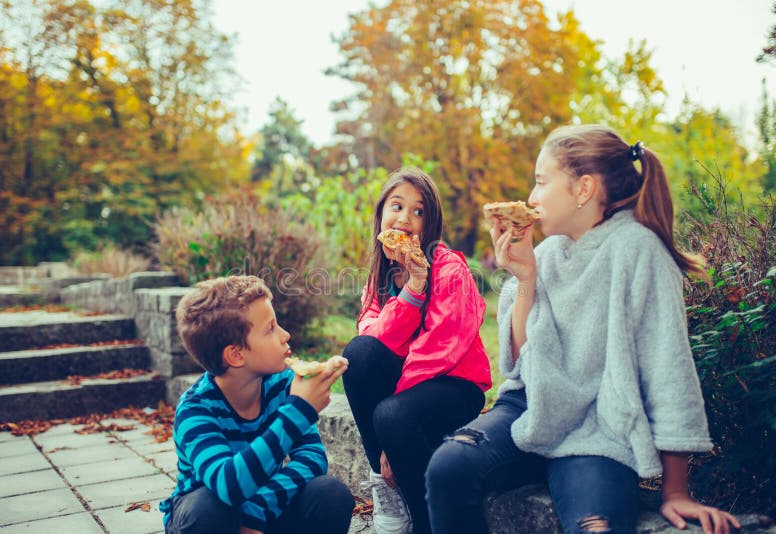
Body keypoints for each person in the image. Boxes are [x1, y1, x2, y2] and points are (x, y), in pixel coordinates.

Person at [425, 125, 742, 534]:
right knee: (448, 467)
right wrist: (525, 278)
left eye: (541, 182)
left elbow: (669, 370)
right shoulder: (549, 251)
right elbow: (520, 363)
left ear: (583, 189)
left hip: (599, 434)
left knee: (597, 526)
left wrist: (675, 491)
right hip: (530, 412)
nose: (532, 196)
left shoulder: (639, 251)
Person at [342, 167, 492, 534]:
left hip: (456, 386)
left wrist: (422, 277)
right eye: (397, 206)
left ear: (430, 224)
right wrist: (411, 290)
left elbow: (440, 350)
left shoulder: (450, 268)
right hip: (412, 387)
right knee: (359, 353)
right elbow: (374, 339)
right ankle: (384, 483)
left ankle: (429, 525)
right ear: (381, 215)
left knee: (393, 416)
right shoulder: (379, 275)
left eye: (418, 211)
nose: (406, 219)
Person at [159, 275, 354, 534]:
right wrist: (299, 411)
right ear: (236, 354)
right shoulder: (196, 410)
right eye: (270, 328)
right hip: (210, 520)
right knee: (208, 508)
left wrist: (258, 510)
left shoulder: (282, 384)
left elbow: (312, 457)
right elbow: (228, 485)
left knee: (330, 493)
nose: (286, 335)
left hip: (264, 509)